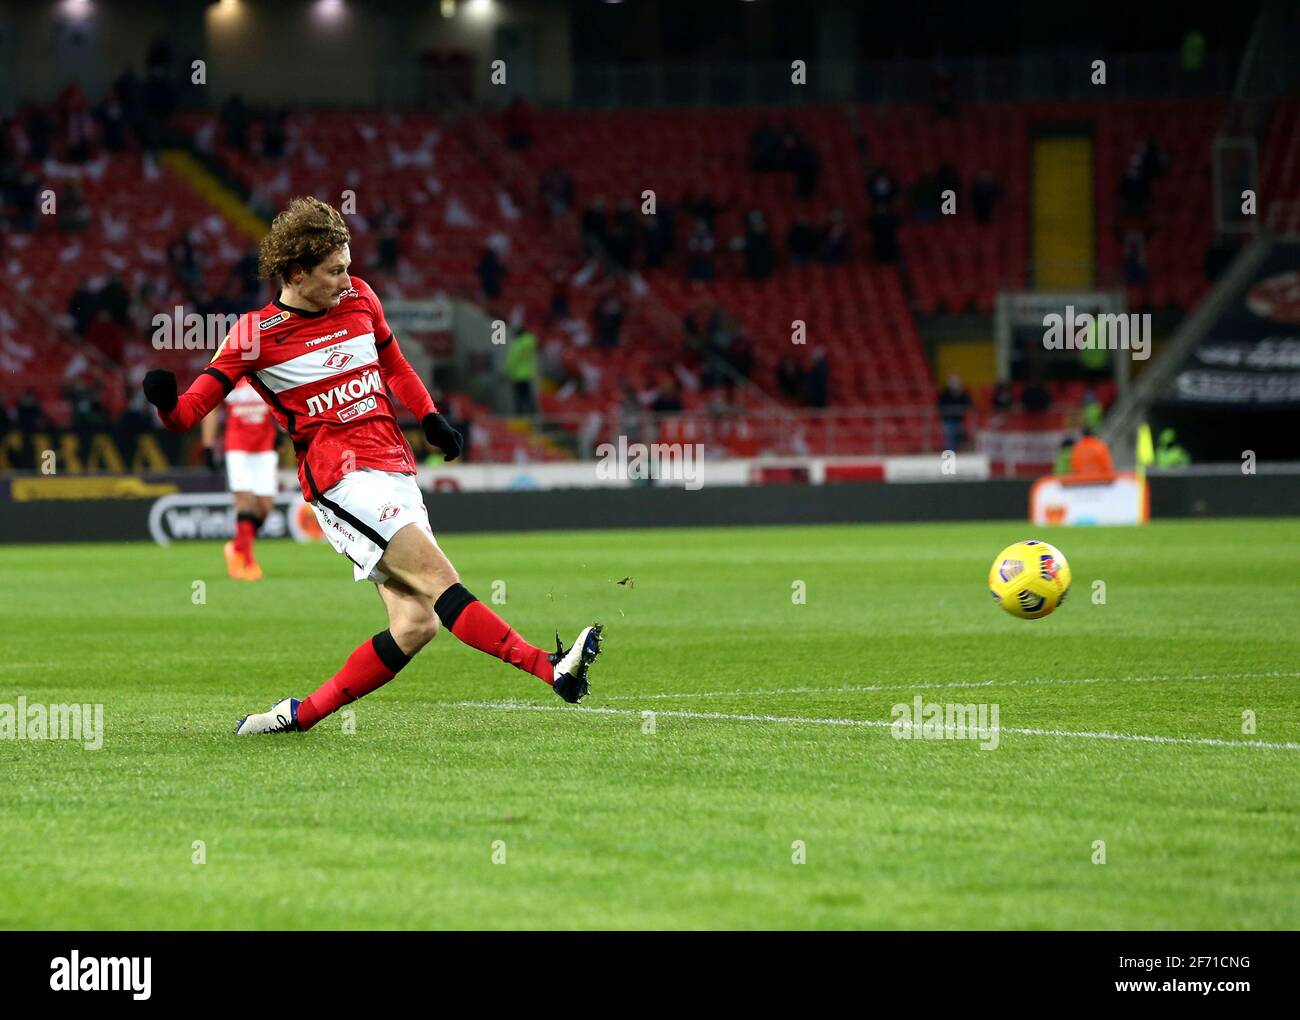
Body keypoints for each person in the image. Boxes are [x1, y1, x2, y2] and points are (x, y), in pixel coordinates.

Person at [141, 197, 602, 735]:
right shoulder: (254, 335)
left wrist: (429, 416)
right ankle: (550, 668)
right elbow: (190, 413)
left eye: (348, 265)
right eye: (334, 270)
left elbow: (395, 364)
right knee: (439, 577)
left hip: (394, 467)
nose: (346, 278)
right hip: (340, 478)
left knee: (415, 623)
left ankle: (295, 716)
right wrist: (166, 406)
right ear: (296, 272)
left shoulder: (360, 298)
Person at [200, 377, 281, 581]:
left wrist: (281, 429)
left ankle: (236, 547)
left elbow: (281, 399)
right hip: (237, 448)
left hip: (264, 447)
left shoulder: (264, 372)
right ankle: (249, 563)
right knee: (243, 501)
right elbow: (212, 409)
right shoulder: (229, 375)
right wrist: (208, 446)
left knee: (265, 507)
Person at [937, 373, 971, 451]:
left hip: (959, 420)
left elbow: (968, 403)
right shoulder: (945, 392)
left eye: (955, 381)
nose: (954, 383)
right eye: (952, 381)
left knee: (960, 438)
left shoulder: (962, 392)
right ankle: (950, 454)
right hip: (948, 420)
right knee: (949, 439)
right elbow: (940, 405)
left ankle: (960, 453)